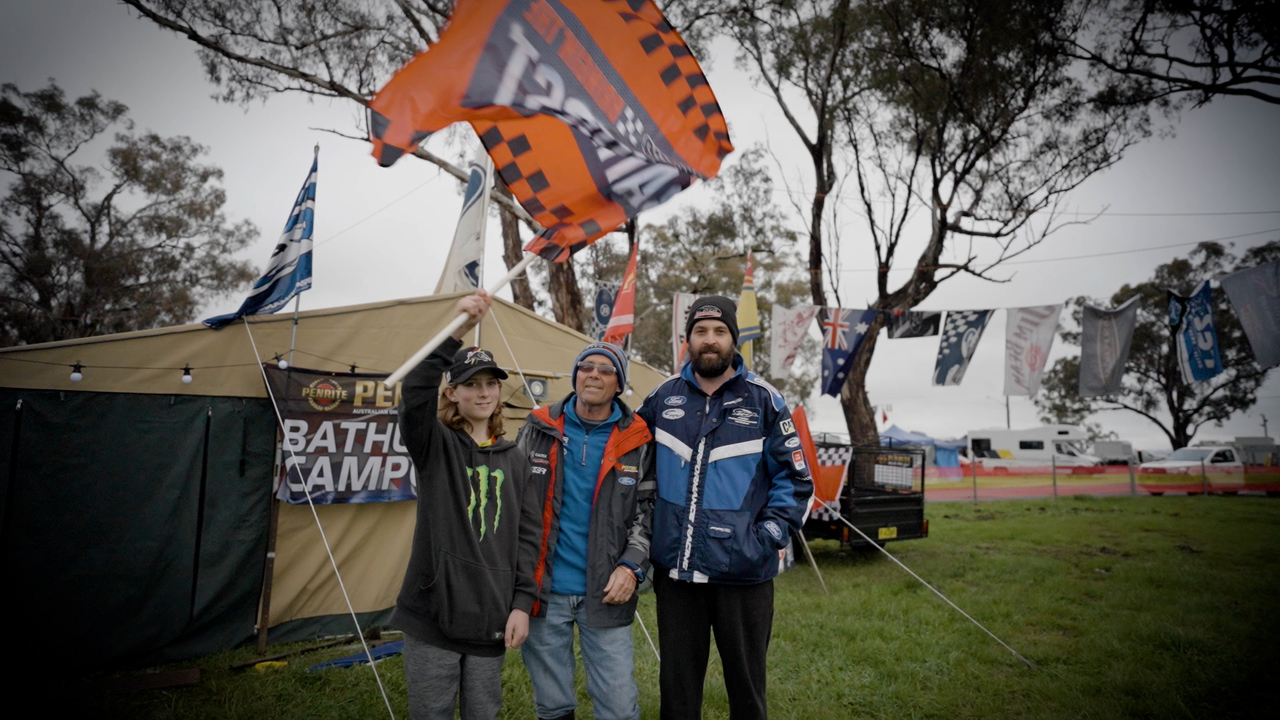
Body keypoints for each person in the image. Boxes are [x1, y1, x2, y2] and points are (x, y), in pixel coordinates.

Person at [637, 295, 813, 720]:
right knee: (677, 696)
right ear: (688, 340)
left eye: (719, 332)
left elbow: (796, 480)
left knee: (747, 693)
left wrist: (767, 537)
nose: (710, 340)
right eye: (701, 331)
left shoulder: (766, 401)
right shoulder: (662, 399)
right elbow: (631, 467)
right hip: (677, 576)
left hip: (744, 574)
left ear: (734, 340)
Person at [391, 291, 543, 720]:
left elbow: (528, 537)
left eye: (491, 383)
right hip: (433, 613)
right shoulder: (434, 445)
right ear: (453, 393)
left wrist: (521, 605)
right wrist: (458, 328)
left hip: (490, 617)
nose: (484, 392)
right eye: (472, 384)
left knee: (484, 713)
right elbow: (416, 388)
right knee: (431, 712)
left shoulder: (517, 458)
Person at [516, 341, 655, 720]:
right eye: (586, 367)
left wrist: (632, 566)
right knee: (553, 704)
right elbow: (514, 505)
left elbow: (649, 510)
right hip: (544, 589)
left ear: (620, 384)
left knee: (618, 706)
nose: (594, 374)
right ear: (576, 375)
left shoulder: (638, 438)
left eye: (606, 369)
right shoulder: (539, 426)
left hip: (607, 589)